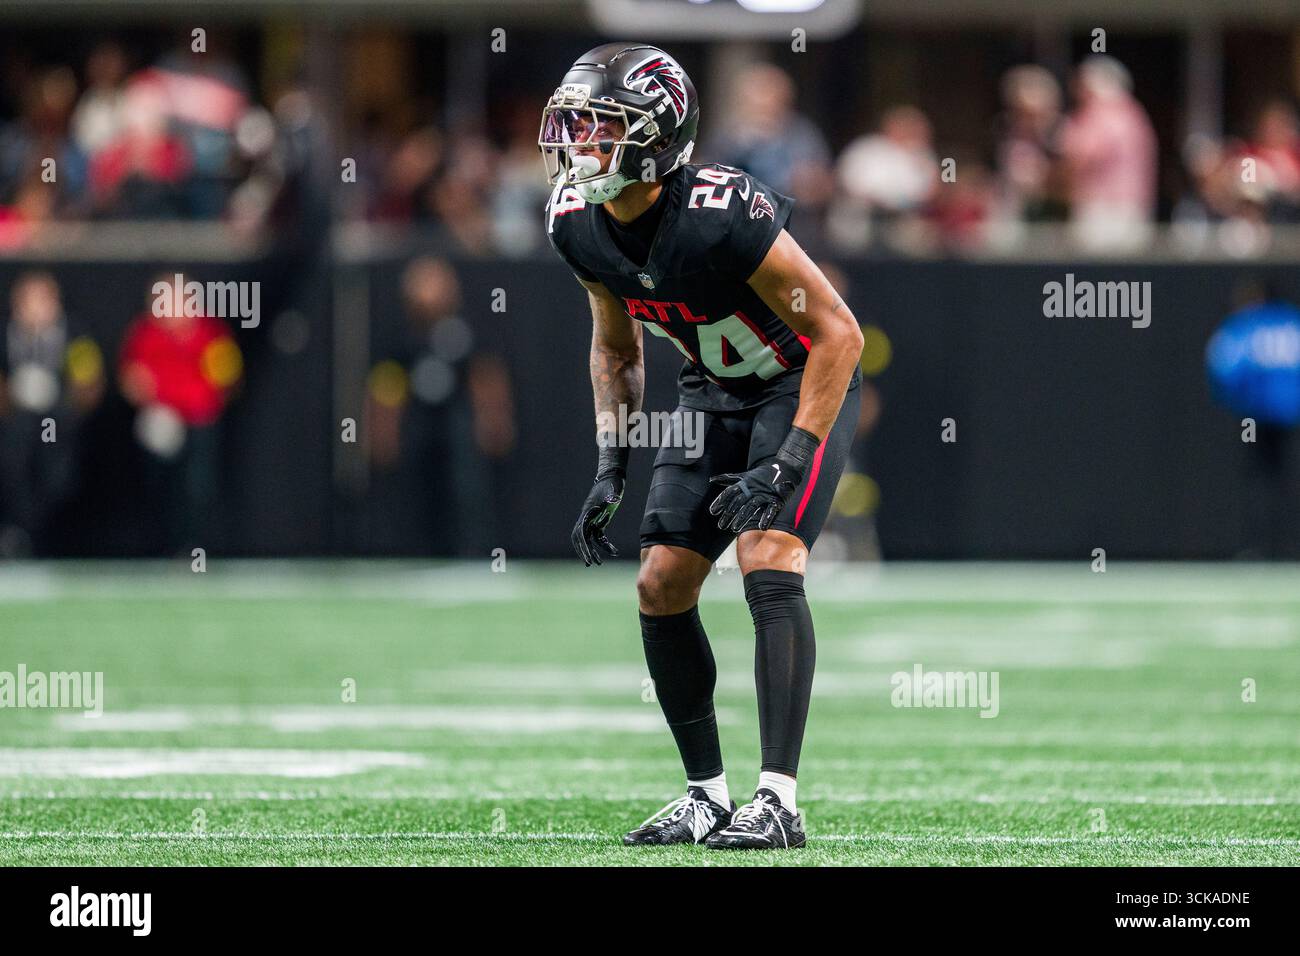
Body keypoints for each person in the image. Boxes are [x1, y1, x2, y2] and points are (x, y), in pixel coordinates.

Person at [540, 43, 863, 850]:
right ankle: (706, 795)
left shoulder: (721, 211)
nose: (579, 143)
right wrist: (612, 464)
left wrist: (788, 460)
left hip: (796, 381)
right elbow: (616, 347)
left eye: (600, 125)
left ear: (656, 136)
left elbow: (839, 333)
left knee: (767, 554)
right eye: (575, 125)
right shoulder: (577, 224)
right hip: (712, 390)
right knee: (660, 582)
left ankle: (778, 801)